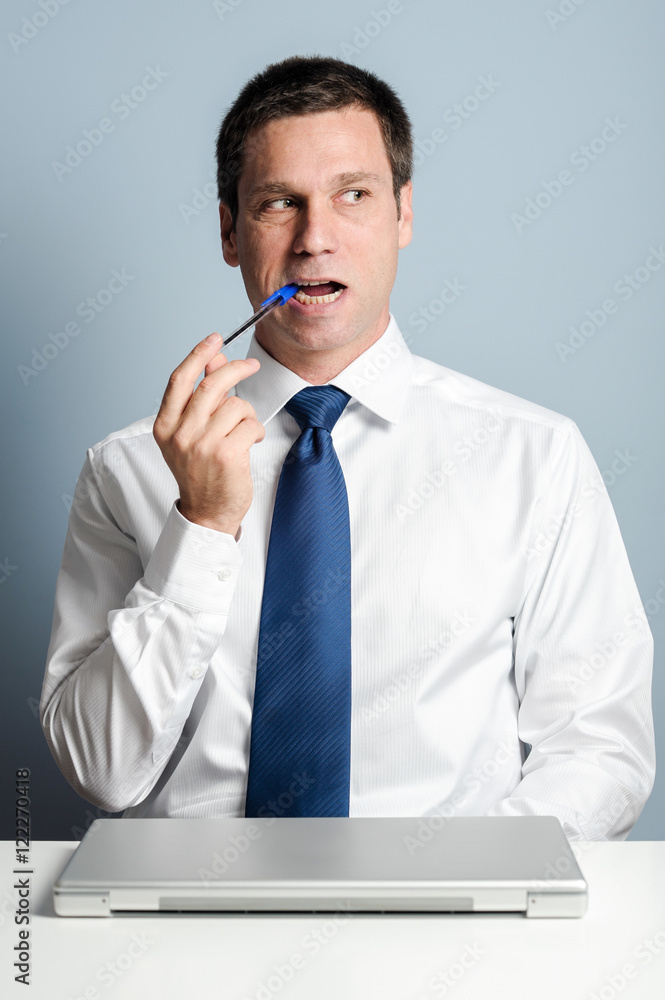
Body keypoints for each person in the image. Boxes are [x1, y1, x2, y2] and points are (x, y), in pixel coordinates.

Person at [40, 55, 655, 839]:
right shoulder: (125, 469)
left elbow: (600, 748)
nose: (314, 240)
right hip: (183, 933)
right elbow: (99, 773)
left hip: (453, 933)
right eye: (277, 204)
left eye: (352, 196)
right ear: (229, 230)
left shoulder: (534, 458)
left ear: (403, 214)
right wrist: (198, 526)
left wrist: (463, 896)